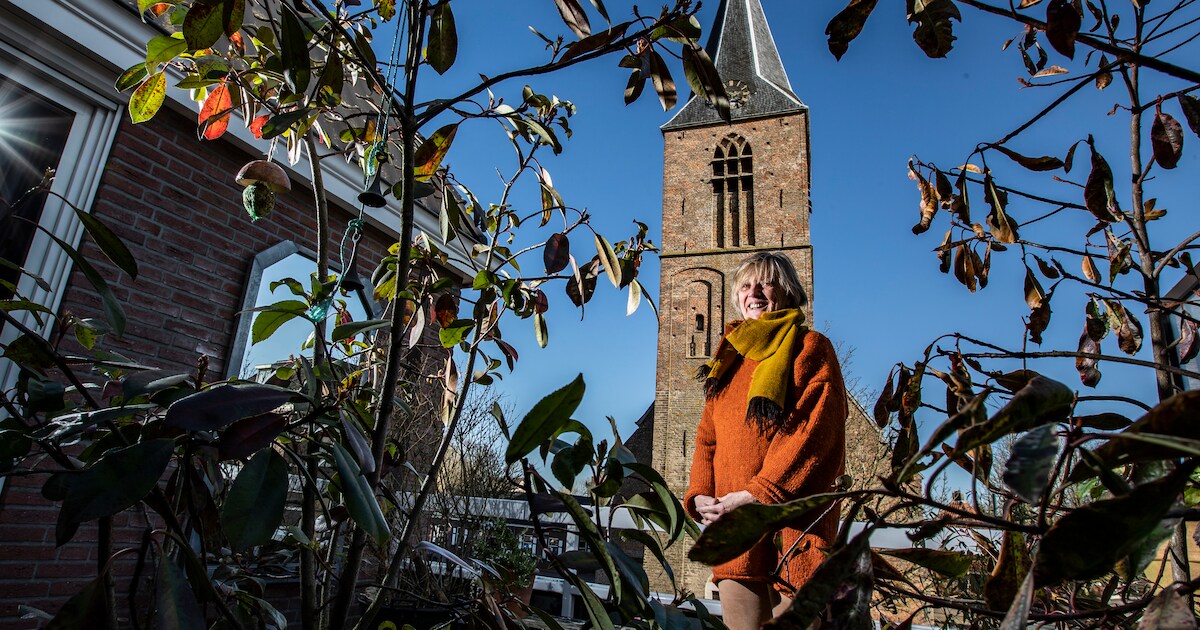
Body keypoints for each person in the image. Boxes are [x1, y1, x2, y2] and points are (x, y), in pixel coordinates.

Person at [684, 251, 847, 629]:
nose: (753, 293)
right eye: (745, 285)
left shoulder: (811, 348)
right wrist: (700, 494)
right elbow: (708, 438)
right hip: (736, 530)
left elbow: (812, 433)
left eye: (766, 283)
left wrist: (756, 495)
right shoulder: (728, 358)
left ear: (788, 291)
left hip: (794, 530)